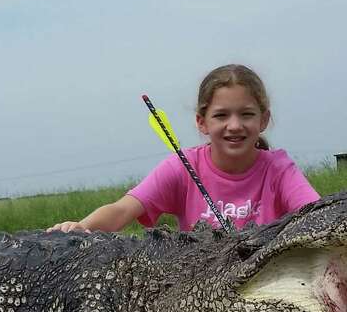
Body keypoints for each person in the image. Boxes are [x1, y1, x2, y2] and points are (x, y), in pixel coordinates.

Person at [49, 64, 320, 233]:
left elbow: (319, 217)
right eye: (221, 115)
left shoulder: (278, 169)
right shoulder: (182, 167)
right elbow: (122, 210)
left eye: (246, 114)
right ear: (202, 122)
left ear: (264, 119)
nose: (235, 125)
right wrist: (81, 227)